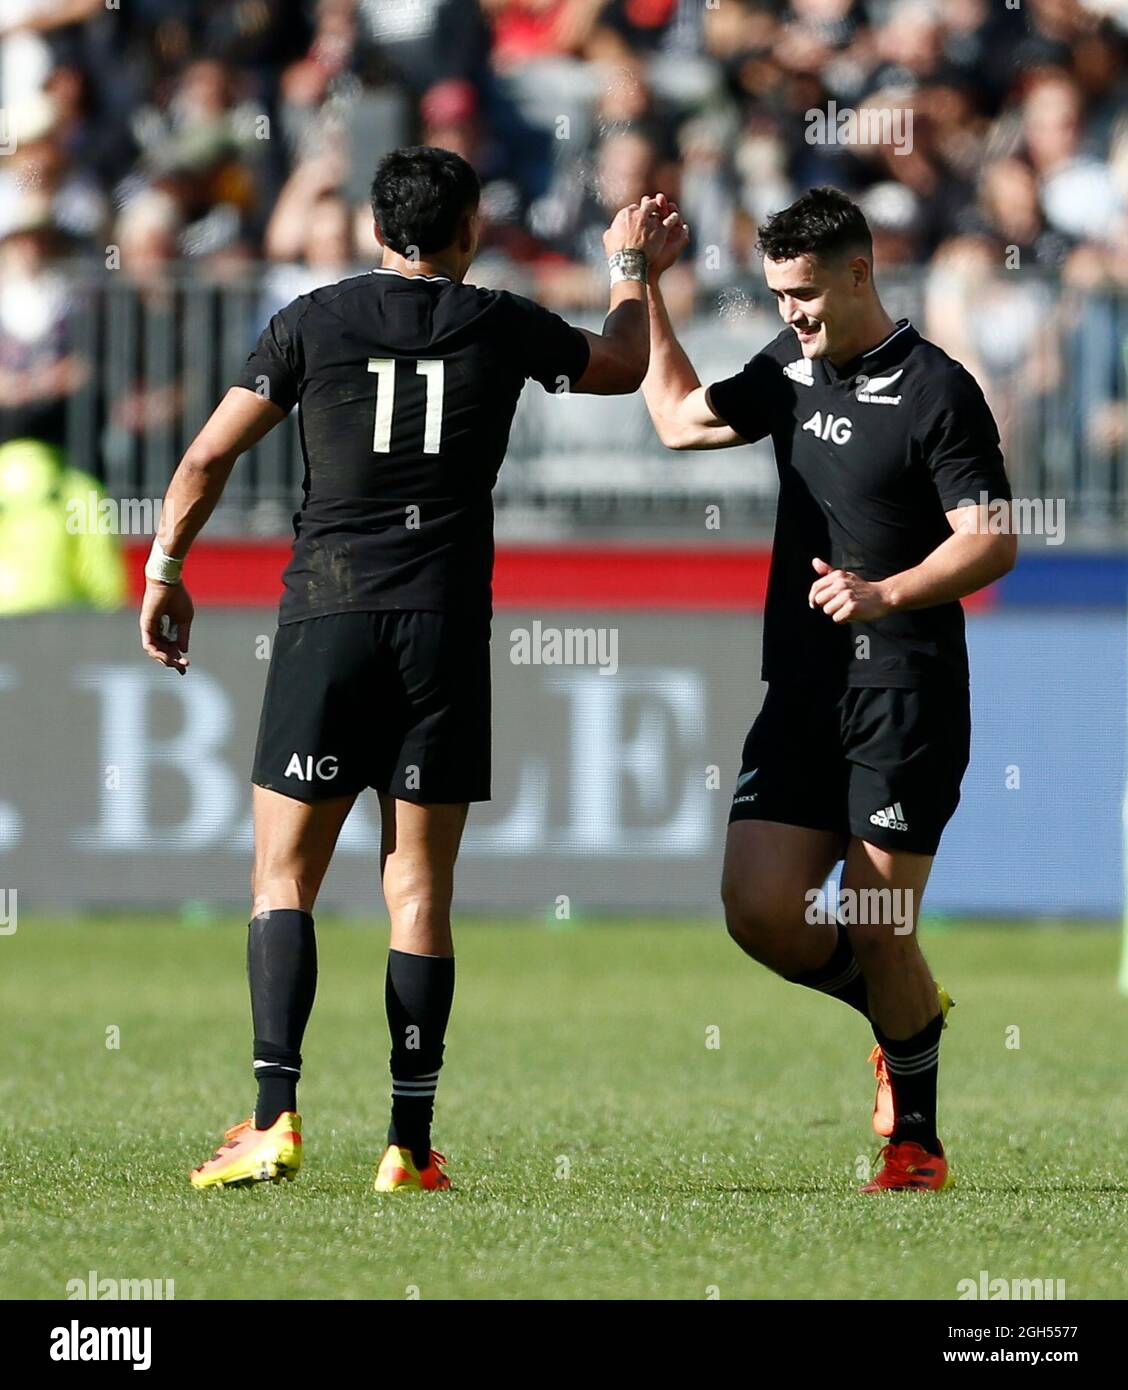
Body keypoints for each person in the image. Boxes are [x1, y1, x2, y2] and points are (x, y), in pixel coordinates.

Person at [139, 145, 674, 1193]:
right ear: (468, 232)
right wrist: (631, 267)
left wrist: (166, 567)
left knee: (281, 877)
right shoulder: (499, 321)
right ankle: (410, 1146)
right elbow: (621, 369)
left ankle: (272, 1117)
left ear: (374, 229)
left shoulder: (312, 319)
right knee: (420, 889)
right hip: (442, 630)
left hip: (329, 615)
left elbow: (206, 458)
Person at [641, 186, 1016, 1193]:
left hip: (905, 689)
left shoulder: (938, 390)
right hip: (802, 688)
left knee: (883, 921)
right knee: (759, 908)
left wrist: (886, 590)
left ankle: (917, 1144)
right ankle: (904, 1021)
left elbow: (993, 538)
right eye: (776, 295)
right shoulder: (785, 367)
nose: (792, 314)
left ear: (860, 272)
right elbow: (678, 420)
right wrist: (641, 283)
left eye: (804, 293)